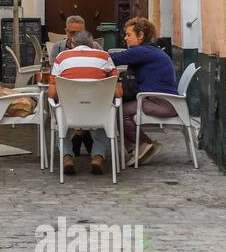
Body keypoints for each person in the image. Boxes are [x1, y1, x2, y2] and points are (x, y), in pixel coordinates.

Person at [109, 16, 179, 165]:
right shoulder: (149, 50)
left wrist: (87, 55)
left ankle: (142, 144)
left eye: (129, 35)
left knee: (120, 111)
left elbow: (113, 59)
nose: (125, 38)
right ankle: (142, 146)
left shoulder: (142, 51)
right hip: (163, 100)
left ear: (140, 35)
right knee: (120, 108)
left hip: (163, 103)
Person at [47, 30, 118, 175]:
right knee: (108, 111)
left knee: (57, 115)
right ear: (93, 44)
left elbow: (52, 93)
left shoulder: (61, 57)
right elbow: (118, 92)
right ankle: (97, 157)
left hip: (69, 115)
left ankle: (67, 157)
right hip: (98, 114)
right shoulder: (105, 56)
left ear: (72, 44)